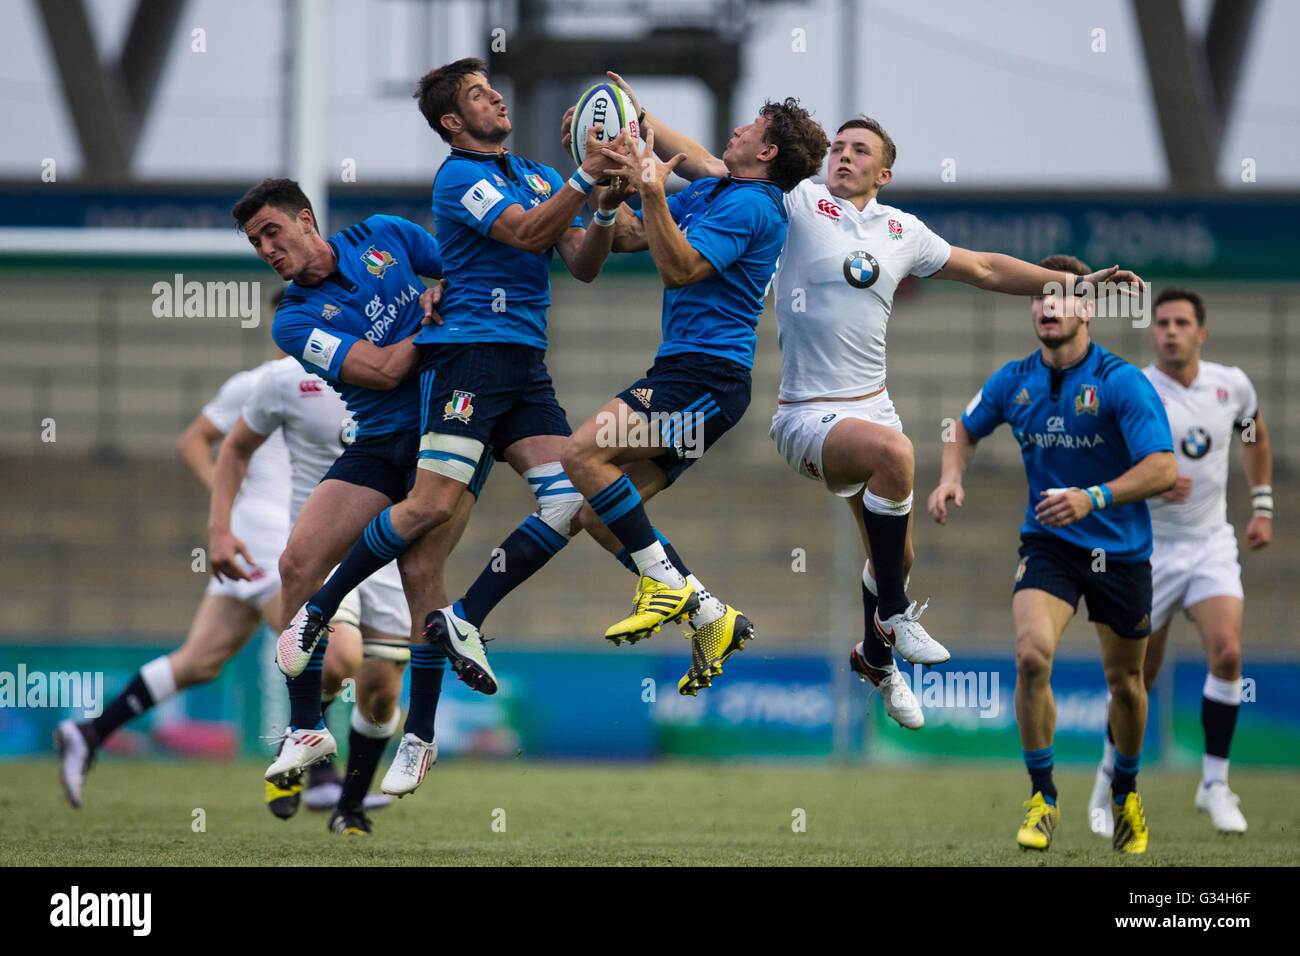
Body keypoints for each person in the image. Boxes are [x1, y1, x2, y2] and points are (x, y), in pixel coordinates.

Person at [560, 90, 830, 697]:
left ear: (767, 151)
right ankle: (711, 616)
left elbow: (679, 269)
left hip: (704, 378)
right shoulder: (713, 191)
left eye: (749, 127)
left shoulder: (756, 207)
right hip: (689, 375)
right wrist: (605, 183)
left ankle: (667, 587)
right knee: (600, 519)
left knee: (581, 455)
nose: (734, 130)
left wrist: (652, 189)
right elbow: (636, 236)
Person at [228, 178, 488, 792]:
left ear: (305, 220)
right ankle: (306, 728)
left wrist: (447, 289)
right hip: (376, 440)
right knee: (297, 560)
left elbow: (465, 271)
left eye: (271, 231)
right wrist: (429, 317)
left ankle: (420, 738)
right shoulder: (292, 319)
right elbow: (379, 368)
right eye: (254, 241)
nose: (266, 247)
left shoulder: (383, 235)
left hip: (443, 431)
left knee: (423, 581)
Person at [927, 254, 1174, 854]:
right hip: (1048, 544)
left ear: (1086, 308)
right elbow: (960, 427)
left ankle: (1126, 793)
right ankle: (1043, 798)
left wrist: (1094, 497)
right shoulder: (1013, 380)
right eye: (1039, 297)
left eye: (1059, 297)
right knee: (1032, 657)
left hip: (1121, 551)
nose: (1046, 306)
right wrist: (950, 476)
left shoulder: (1121, 382)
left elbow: (1163, 468)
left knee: (1126, 683)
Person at [54, 341, 294, 808]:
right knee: (316, 646)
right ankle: (312, 772)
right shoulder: (256, 384)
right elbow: (193, 441)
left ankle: (90, 731)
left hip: (281, 537)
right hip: (262, 538)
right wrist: (228, 495)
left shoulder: (335, 385)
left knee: (199, 661)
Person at [1086, 287, 1272, 837]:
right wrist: (1149, 484)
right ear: (1153, 332)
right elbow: (1106, 456)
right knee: (1136, 676)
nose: (1171, 330)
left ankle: (1214, 783)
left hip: (1212, 542)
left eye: (1182, 322)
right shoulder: (1136, 387)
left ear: (1201, 332)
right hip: (1149, 549)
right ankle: (1106, 782)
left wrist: (1262, 504)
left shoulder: (1231, 385)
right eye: (1162, 322)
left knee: (1229, 653)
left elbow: (1253, 434)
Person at [210, 349, 412, 835]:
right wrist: (219, 527)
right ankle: (298, 737)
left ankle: (351, 804)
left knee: (382, 693)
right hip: (322, 544)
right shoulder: (284, 379)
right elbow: (234, 448)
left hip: (388, 548)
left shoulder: (408, 366)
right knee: (339, 660)